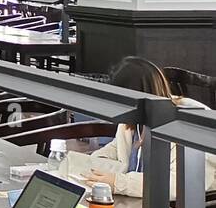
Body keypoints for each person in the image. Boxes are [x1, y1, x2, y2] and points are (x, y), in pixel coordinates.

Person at [80, 56, 216, 199]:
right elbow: (118, 148)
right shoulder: (136, 116)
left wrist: (118, 182)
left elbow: (181, 184)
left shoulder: (188, 122)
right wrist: (90, 165)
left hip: (183, 207)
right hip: (142, 199)